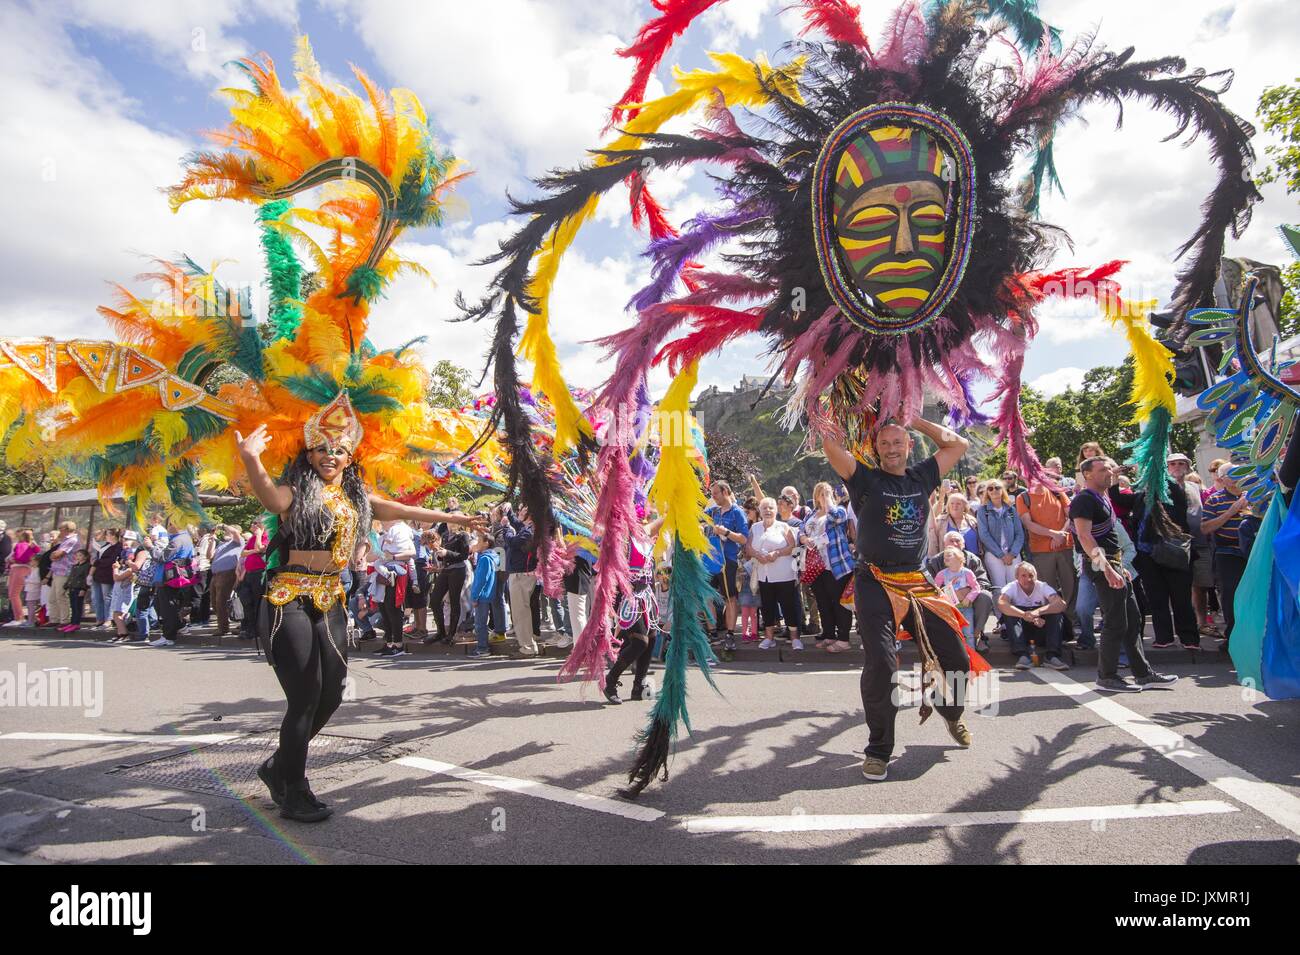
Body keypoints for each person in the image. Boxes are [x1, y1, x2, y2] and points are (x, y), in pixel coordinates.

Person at [234, 395, 481, 823]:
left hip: (331, 598)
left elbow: (401, 508)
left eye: (339, 450)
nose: (330, 456)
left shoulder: (356, 499)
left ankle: (279, 767)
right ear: (308, 454)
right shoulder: (296, 491)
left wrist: (457, 519)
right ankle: (293, 787)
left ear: (350, 458)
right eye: (322, 449)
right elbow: (272, 501)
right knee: (305, 696)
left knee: (332, 693)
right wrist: (251, 459)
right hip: (288, 597)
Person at [824, 417, 980, 783]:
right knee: (881, 663)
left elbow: (958, 445)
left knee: (956, 656)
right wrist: (824, 406)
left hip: (918, 580)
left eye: (898, 442)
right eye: (885, 444)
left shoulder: (922, 476)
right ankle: (879, 750)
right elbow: (832, 447)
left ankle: (950, 710)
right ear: (875, 449)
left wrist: (914, 419)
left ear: (909, 446)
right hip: (874, 580)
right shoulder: (864, 478)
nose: (892, 449)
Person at [1070, 457, 1177, 692]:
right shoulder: (1084, 500)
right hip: (1100, 563)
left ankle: (1143, 674)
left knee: (1133, 620)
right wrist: (1108, 569)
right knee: (1116, 622)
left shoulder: (1102, 496)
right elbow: (1085, 537)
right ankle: (1107, 676)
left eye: (1110, 468)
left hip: (1115, 562)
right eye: (1103, 470)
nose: (1109, 472)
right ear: (1087, 475)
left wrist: (1119, 565)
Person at [1017, 467, 1078, 638]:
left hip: (1065, 547)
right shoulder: (1024, 498)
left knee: (1070, 586)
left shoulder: (1057, 492)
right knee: (1048, 589)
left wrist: (1061, 535)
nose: (1033, 479)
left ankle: (1071, 623)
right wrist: (1052, 534)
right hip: (1041, 550)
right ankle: (1054, 628)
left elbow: (1070, 515)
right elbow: (1029, 524)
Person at [800, 480, 856, 652]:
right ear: (815, 496)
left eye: (827, 493)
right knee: (823, 601)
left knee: (839, 601)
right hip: (816, 565)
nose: (824, 497)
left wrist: (829, 502)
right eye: (821, 494)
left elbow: (837, 517)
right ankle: (829, 634)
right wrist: (804, 539)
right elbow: (801, 529)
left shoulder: (838, 510)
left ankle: (843, 639)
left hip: (836, 564)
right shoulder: (812, 514)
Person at [1201, 463, 1251, 649]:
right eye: (1232, 474)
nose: (1238, 476)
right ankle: (1233, 638)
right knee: (1230, 596)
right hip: (1227, 552)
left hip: (1253, 551)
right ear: (1222, 479)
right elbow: (1205, 527)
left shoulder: (1255, 494)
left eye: (1240, 471)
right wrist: (1232, 511)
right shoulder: (1214, 500)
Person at [924, 530, 995, 653]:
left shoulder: (973, 560)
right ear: (944, 544)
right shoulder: (935, 561)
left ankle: (976, 635)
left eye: (958, 541)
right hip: (945, 600)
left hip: (969, 601)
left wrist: (967, 592)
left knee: (986, 596)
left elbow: (984, 583)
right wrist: (948, 593)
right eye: (951, 540)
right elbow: (929, 586)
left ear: (963, 545)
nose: (955, 543)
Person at [748, 497, 801, 650]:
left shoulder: (784, 527)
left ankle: (795, 638)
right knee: (767, 607)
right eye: (764, 508)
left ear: (776, 510)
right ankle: (769, 638)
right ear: (760, 510)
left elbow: (792, 546)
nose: (768, 511)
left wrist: (777, 553)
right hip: (764, 575)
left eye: (771, 508)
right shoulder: (755, 527)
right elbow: (749, 547)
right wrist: (758, 555)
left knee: (788, 606)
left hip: (784, 574)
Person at [997, 562, 1069, 670]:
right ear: (1017, 577)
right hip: (1020, 630)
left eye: (1031, 576)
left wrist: (1038, 613)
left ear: (1036, 576)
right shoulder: (1011, 587)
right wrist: (1024, 615)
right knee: (1009, 615)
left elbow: (1061, 604)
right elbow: (1002, 604)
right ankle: (1023, 655)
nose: (1028, 579)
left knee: (1056, 614)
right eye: (1024, 576)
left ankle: (1051, 656)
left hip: (1041, 628)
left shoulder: (1042, 586)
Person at [704, 480, 749, 652]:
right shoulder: (712, 510)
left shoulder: (737, 512)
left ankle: (730, 634)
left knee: (730, 597)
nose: (713, 497)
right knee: (706, 596)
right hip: (710, 561)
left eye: (715, 493)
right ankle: (712, 632)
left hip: (727, 561)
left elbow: (744, 539)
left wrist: (726, 532)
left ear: (725, 492)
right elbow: (698, 519)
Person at [500, 504, 540, 658]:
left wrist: (506, 529)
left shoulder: (529, 531)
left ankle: (528, 647)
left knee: (520, 613)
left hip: (521, 575)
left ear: (529, 515)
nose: (519, 513)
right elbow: (517, 523)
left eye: (522, 511)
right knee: (521, 612)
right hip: (520, 574)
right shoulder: (528, 527)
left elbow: (512, 541)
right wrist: (508, 512)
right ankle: (528, 644)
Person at [427, 511, 470, 645]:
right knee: (434, 600)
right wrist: (440, 555)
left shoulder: (463, 536)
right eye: (449, 520)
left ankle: (451, 634)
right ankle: (441, 632)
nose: (450, 523)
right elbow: (445, 555)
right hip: (446, 569)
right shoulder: (445, 535)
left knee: (454, 600)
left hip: (458, 569)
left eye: (453, 520)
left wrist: (447, 553)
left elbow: (463, 555)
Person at [977, 480, 1024, 592]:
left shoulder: (1011, 510)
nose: (994, 491)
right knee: (999, 588)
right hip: (994, 555)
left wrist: (1012, 553)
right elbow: (984, 535)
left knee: (1016, 587)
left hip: (1013, 554)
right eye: (990, 488)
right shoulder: (983, 511)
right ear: (987, 492)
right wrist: (1001, 555)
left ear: (1002, 490)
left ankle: (1016, 609)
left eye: (997, 487)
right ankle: (1000, 610)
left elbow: (1019, 534)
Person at [934, 547, 981, 641]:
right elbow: (935, 589)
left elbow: (976, 588)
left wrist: (969, 598)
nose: (945, 557)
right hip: (950, 608)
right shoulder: (942, 574)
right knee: (953, 632)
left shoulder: (967, 573)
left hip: (966, 607)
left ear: (959, 558)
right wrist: (942, 594)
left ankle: (971, 654)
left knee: (968, 633)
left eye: (949, 555)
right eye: (944, 557)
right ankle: (957, 654)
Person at [468, 529, 500, 658]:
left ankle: (482, 648)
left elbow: (481, 579)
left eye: (479, 541)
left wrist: (475, 596)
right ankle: (482, 646)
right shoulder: (493, 556)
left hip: (482, 595)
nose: (476, 544)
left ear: (486, 543)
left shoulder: (485, 559)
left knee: (480, 623)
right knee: (482, 622)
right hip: (487, 594)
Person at [236, 520, 268, 641]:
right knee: (246, 601)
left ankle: (256, 630)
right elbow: (243, 553)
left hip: (259, 574)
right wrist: (255, 551)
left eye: (257, 523)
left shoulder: (266, 537)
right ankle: (248, 627)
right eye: (253, 523)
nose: (254, 526)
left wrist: (259, 535)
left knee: (257, 602)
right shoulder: (252, 539)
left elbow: (260, 548)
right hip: (249, 574)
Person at [209, 526, 244, 637]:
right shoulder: (222, 544)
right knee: (214, 601)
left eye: (228, 530)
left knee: (221, 601)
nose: (225, 532)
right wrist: (211, 542)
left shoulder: (238, 541)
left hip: (227, 573)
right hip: (216, 574)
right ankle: (222, 624)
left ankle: (223, 627)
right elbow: (209, 555)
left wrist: (223, 525)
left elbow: (234, 532)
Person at [47, 521, 81, 628]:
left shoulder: (72, 540)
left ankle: (64, 620)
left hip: (65, 571)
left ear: (67, 529)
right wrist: (53, 555)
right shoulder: (64, 541)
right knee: (52, 597)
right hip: (57, 571)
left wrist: (54, 555)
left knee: (61, 596)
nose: (59, 531)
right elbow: (52, 555)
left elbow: (58, 554)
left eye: (60, 529)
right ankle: (54, 619)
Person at [928, 489, 979, 558]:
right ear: (948, 506)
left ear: (964, 506)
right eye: (952, 503)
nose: (955, 506)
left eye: (958, 503)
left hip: (973, 562)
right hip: (950, 562)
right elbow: (933, 543)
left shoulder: (972, 521)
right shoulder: (940, 521)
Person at [90, 529, 123, 630]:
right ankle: (99, 619)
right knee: (96, 598)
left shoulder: (118, 546)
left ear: (113, 535)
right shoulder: (106, 545)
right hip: (98, 574)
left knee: (107, 598)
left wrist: (98, 562)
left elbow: (112, 560)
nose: (106, 536)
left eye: (108, 534)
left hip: (107, 574)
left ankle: (108, 620)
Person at [4, 529, 38, 627]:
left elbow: (19, 558)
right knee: (16, 594)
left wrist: (13, 559)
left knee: (14, 594)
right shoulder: (30, 544)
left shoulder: (21, 545)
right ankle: (23, 617)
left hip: (19, 569)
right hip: (23, 569)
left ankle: (19, 618)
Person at [60, 550, 92, 634]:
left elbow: (86, 579)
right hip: (72, 588)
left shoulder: (87, 566)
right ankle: (72, 623)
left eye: (80, 555)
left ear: (85, 557)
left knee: (78, 607)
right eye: (77, 555)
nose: (78, 557)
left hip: (79, 588)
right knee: (73, 607)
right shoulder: (75, 566)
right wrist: (66, 586)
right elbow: (71, 577)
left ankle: (76, 623)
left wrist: (84, 589)